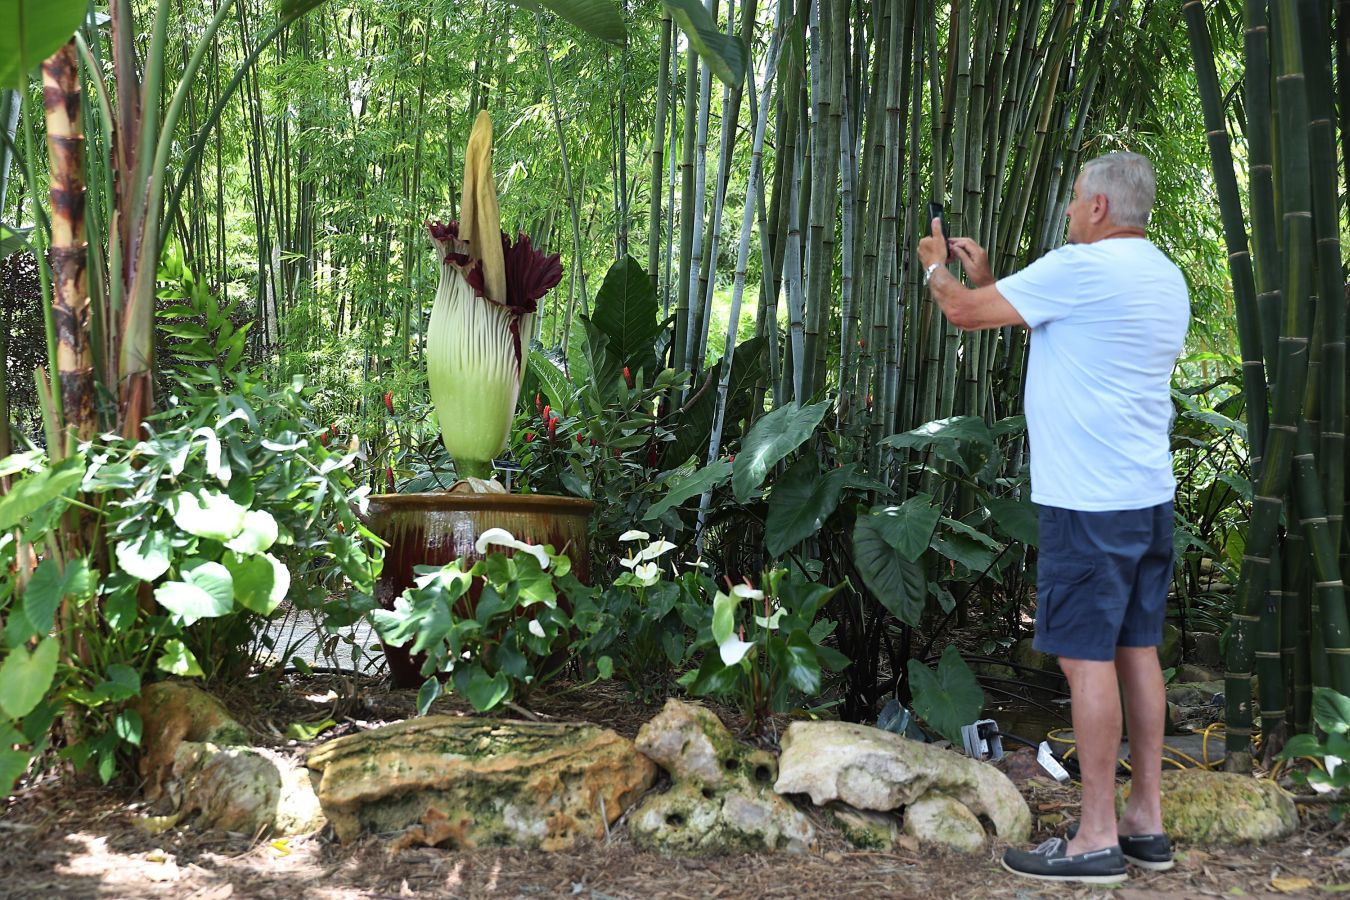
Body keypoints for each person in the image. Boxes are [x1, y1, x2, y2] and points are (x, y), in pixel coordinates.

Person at [916, 151, 1190, 886]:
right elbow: (1067, 333)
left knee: (1083, 659)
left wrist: (936, 269)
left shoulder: (1080, 267)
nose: (1068, 211)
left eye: (1073, 200)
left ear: (1099, 208)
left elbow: (965, 316)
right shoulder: (1166, 277)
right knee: (1137, 649)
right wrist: (986, 277)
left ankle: (1096, 836)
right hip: (1146, 500)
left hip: (1087, 505)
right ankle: (1145, 821)